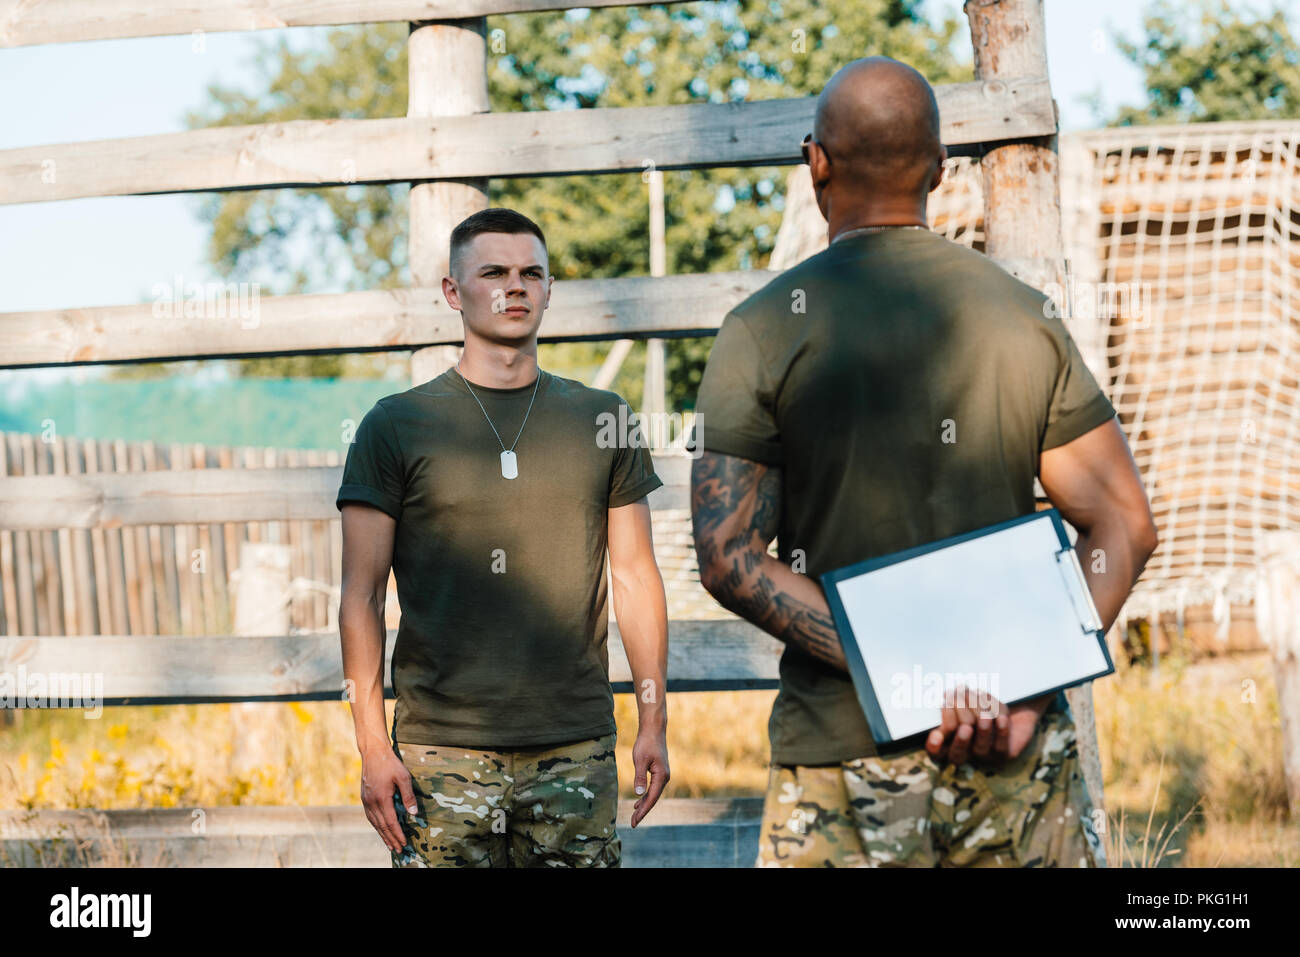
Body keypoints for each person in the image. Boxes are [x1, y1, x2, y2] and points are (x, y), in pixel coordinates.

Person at [688, 57, 1158, 867]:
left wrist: (907, 676)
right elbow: (1125, 525)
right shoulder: (1023, 316)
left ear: (816, 162)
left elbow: (729, 556)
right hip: (1015, 755)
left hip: (841, 756)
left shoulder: (762, 330)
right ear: (941, 170)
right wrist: (1023, 690)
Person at [337, 207, 670, 867]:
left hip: (574, 747)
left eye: (531, 273)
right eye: (493, 272)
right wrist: (374, 747)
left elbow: (634, 577)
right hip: (441, 754)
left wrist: (654, 719)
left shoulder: (604, 419)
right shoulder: (395, 425)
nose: (515, 287)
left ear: (549, 290)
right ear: (453, 292)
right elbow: (360, 595)